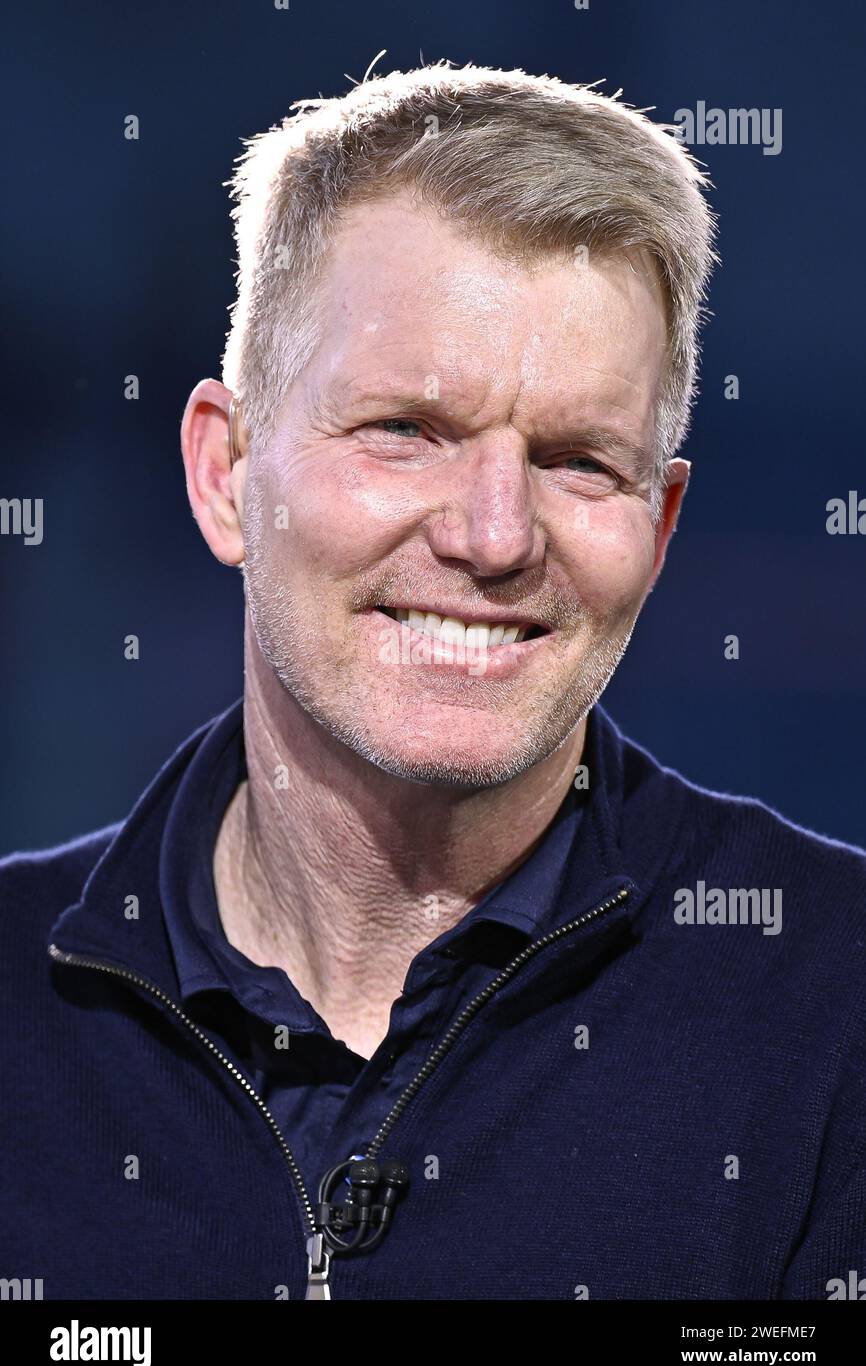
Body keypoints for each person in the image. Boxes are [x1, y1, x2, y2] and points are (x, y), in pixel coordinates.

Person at [2, 61, 865, 1302]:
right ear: (224, 474)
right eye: (405, 430)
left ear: (659, 527)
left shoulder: (833, 1007)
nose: (494, 535)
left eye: (576, 460)